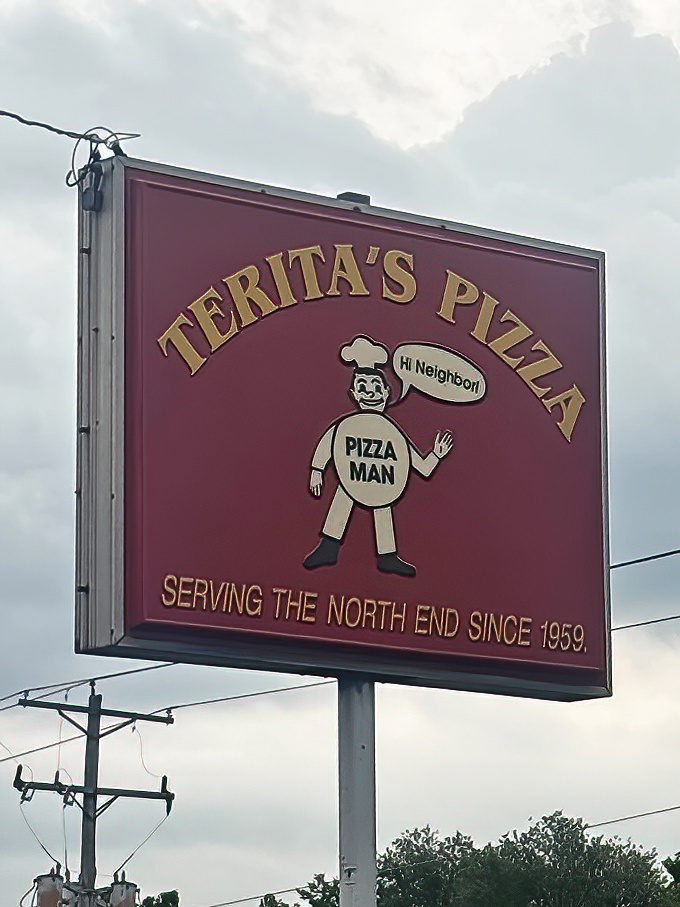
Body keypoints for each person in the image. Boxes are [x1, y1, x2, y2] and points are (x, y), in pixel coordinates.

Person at [303, 336, 453, 577]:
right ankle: (328, 547)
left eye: (375, 387)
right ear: (354, 393)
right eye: (362, 387)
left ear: (385, 392)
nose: (369, 392)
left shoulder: (392, 433)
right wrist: (316, 470)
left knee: (383, 502)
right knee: (344, 494)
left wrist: (436, 454)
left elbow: (422, 468)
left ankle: (387, 556)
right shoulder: (347, 425)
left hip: (382, 481)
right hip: (351, 475)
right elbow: (328, 443)